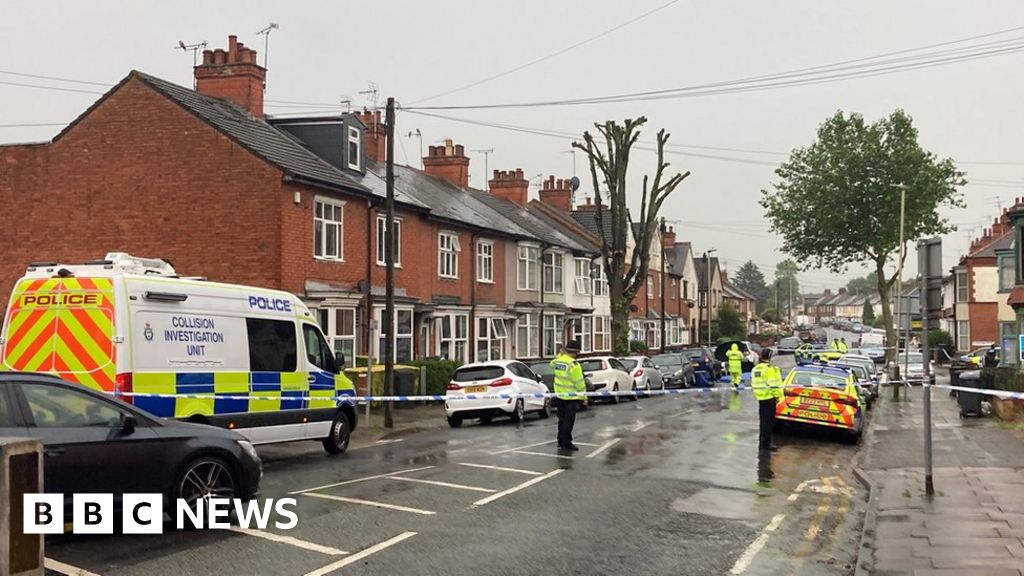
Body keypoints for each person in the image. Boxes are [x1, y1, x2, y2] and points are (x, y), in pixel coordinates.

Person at [550, 340, 587, 451]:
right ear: (577, 352)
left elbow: (551, 364)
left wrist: (560, 354)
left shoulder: (558, 361)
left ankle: (561, 441)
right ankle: (566, 443)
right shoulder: (574, 365)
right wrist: (584, 397)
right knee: (568, 422)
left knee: (561, 420)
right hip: (570, 398)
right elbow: (579, 383)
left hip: (559, 396)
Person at [751, 348, 782, 451]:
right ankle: (766, 444)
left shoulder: (756, 368)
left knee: (763, 421)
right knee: (768, 422)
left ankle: (763, 442)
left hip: (761, 397)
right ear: (769, 357)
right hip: (769, 397)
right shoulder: (769, 369)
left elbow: (753, 383)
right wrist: (777, 396)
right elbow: (773, 384)